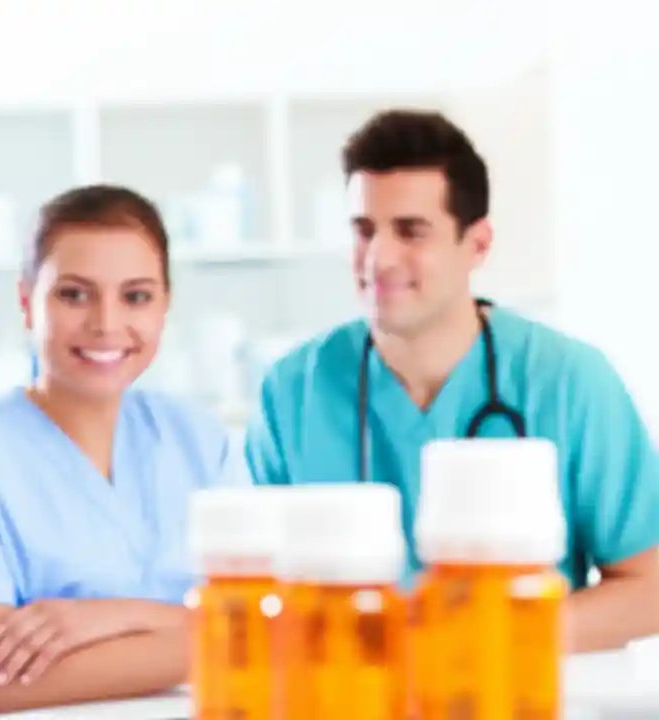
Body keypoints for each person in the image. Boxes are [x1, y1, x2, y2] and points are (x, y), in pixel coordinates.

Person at [244, 108, 659, 652]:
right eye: (364, 230)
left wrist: (476, 640)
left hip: (511, 692)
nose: (378, 258)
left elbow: (648, 587)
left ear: (478, 245)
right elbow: (255, 594)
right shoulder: (294, 391)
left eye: (411, 232)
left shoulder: (566, 380)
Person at [0, 184, 239, 716]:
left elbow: (260, 625)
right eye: (74, 294)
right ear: (26, 302)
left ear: (165, 306)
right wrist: (200, 639)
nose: (106, 323)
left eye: (136, 296)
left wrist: (103, 616)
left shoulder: (201, 441)